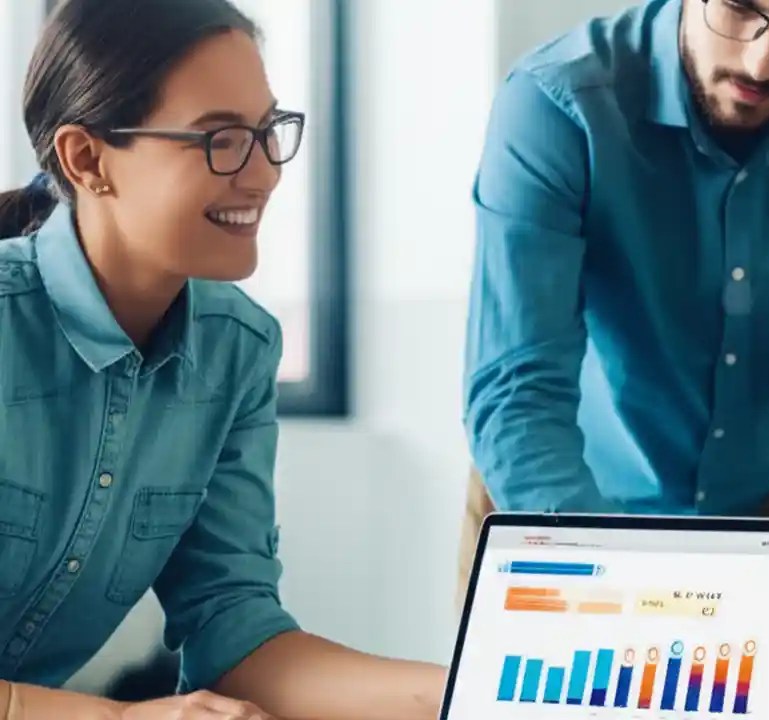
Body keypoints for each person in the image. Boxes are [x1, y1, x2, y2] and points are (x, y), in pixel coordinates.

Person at [463, 0, 769, 708]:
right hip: (561, 507)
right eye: (742, 9)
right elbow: (518, 391)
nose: (761, 61)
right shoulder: (555, 101)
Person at [0, 1, 446, 718]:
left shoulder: (238, 349)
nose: (264, 174)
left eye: (269, 133)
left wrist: (468, 694)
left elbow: (236, 637)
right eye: (221, 140)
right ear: (87, 159)